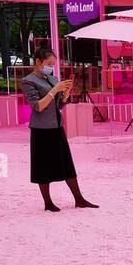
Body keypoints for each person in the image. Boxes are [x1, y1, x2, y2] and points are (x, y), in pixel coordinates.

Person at [20, 46, 98, 212]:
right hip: (41, 129)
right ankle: (47, 202)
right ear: (38, 62)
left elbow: (58, 105)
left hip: (56, 126)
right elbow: (38, 107)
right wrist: (55, 90)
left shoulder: (53, 79)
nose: (50, 67)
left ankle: (79, 198)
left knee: (67, 164)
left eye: (53, 64)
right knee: (42, 166)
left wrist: (65, 95)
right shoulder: (28, 81)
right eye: (48, 63)